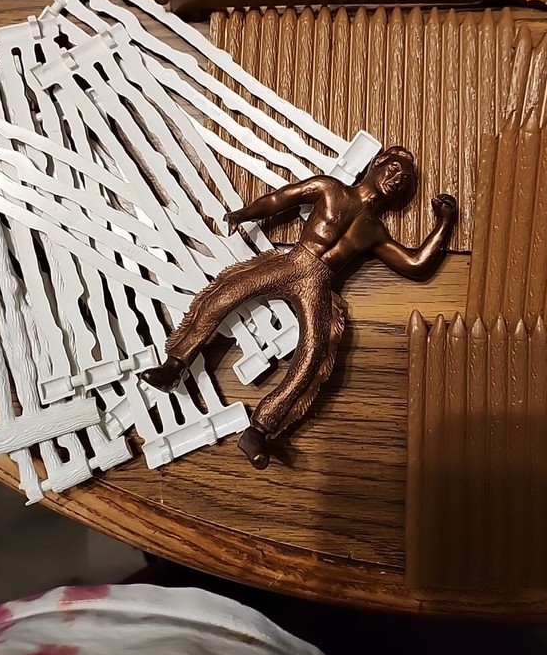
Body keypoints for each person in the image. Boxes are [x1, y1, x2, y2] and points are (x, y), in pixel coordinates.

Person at [141, 147, 457, 469]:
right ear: (377, 163)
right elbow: (282, 198)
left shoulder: (375, 231)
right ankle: (175, 364)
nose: (397, 180)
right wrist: (244, 214)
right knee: (226, 294)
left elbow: (415, 264)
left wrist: (444, 222)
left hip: (320, 283)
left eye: (404, 180)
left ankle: (260, 429)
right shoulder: (330, 189)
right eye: (393, 169)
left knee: (315, 353)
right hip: (293, 260)